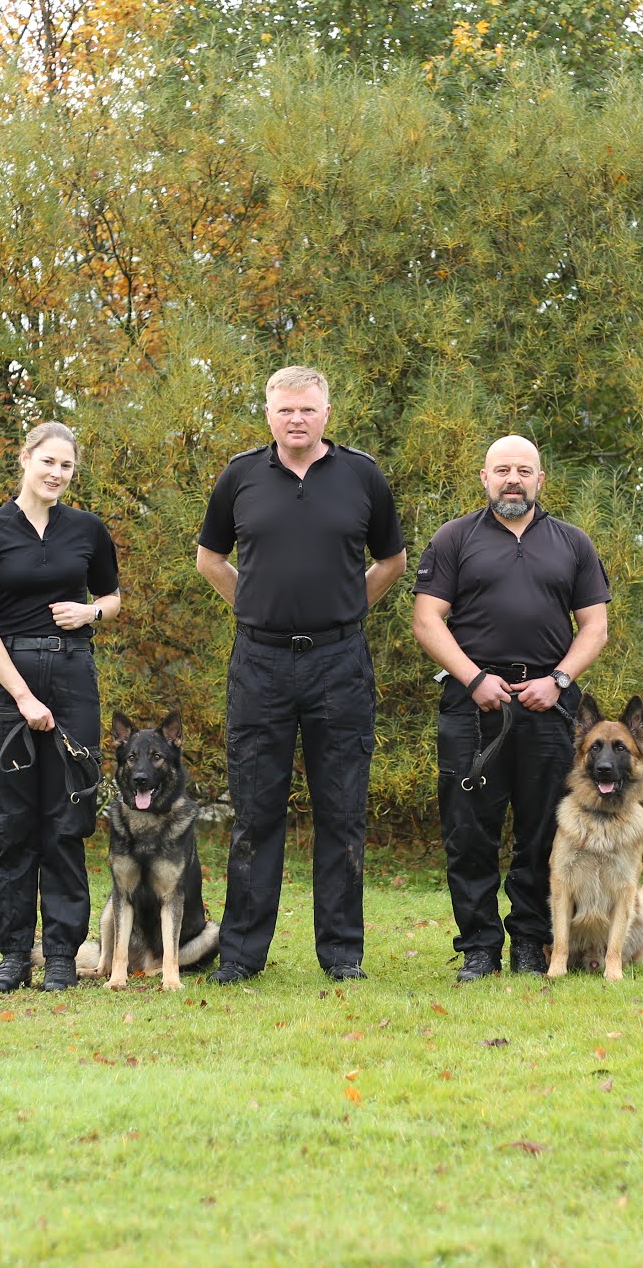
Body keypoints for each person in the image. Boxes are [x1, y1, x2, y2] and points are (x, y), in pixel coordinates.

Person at [195, 366, 406, 983]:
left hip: (339, 664)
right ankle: (240, 956)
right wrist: (253, 606)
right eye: (285, 410)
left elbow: (391, 560)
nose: (296, 420)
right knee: (256, 811)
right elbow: (210, 558)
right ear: (268, 414)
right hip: (259, 664)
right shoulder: (239, 477)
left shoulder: (362, 476)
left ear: (326, 412)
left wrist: (344, 610)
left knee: (342, 811)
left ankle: (342, 954)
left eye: (308, 410)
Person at [413, 435, 610, 981]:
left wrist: (560, 678)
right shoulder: (454, 539)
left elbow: (595, 626)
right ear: (484, 477)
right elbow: (427, 620)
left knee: (544, 833)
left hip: (549, 708)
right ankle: (478, 948)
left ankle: (531, 942)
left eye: (524, 470)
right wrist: (473, 677)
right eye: (502, 470)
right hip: (471, 708)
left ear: (541, 479)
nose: (513, 479)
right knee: (468, 833)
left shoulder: (572, 543)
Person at [0, 422, 125, 993]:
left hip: (74, 675)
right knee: (11, 826)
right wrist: (23, 696)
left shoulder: (87, 530)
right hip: (7, 684)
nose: (56, 474)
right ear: (25, 459)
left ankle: (60, 954)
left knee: (66, 820)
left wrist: (92, 615)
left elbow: (112, 597)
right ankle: (12, 954)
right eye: (48, 462)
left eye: (67, 467)